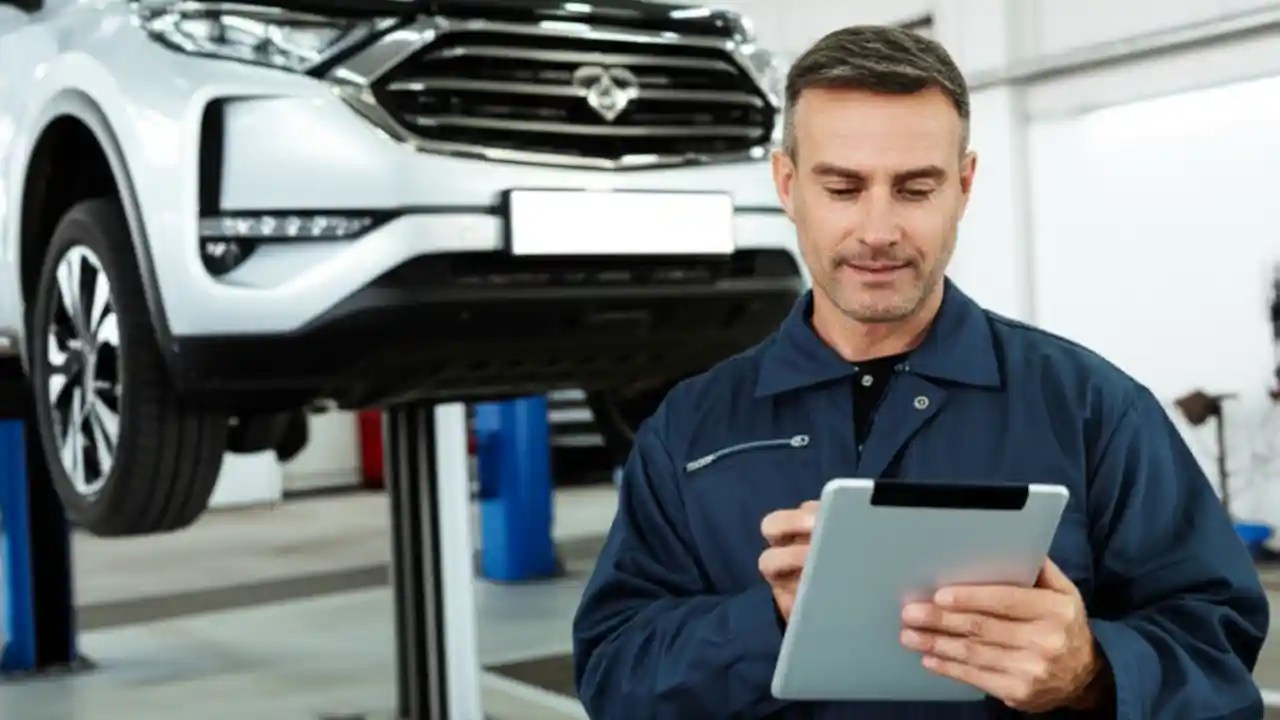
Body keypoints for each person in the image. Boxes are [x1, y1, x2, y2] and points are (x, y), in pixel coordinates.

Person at [571, 24, 1270, 720]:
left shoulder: (1092, 410)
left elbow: (1217, 651)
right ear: (788, 185)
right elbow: (614, 674)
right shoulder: (691, 430)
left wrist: (1093, 674)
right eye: (843, 188)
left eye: (914, 189)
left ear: (963, 186)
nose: (878, 230)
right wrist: (773, 620)